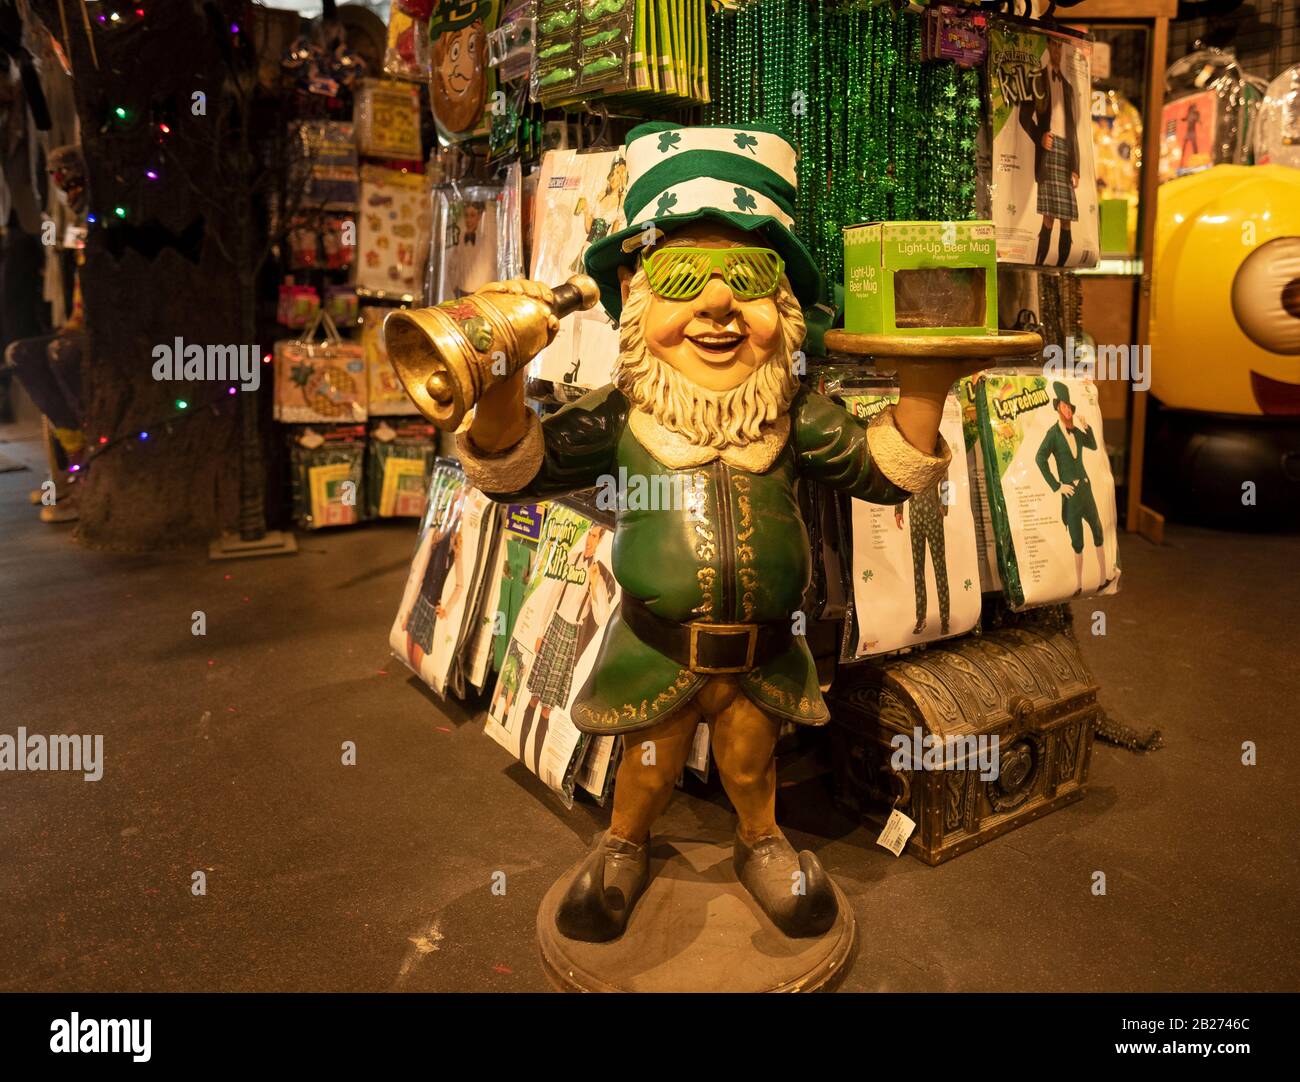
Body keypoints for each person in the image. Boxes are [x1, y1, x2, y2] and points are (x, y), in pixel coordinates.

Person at [456, 123, 979, 942]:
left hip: (765, 648)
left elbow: (880, 473)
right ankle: (624, 845)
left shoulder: (794, 416)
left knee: (749, 759)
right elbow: (517, 467)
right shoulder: (624, 417)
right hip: (656, 646)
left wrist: (925, 388)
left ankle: (761, 843)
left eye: (747, 276)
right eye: (682, 275)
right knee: (650, 762)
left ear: (784, 306)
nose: (716, 304)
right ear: (634, 293)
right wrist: (498, 381)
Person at [1034, 381, 1109, 597]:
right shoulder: (1053, 434)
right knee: (1077, 540)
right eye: (1063, 406)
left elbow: (1093, 445)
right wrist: (1057, 486)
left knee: (1097, 530)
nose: (1067, 410)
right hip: (1071, 494)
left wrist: (1087, 427)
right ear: (1058, 407)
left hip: (1086, 489)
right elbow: (1040, 458)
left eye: (1069, 407)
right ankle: (1078, 584)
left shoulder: (1076, 431)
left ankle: (1104, 577)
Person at [1018, 36, 1080, 267]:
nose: (1056, 50)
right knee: (1049, 217)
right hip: (1050, 148)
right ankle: (1040, 263)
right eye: (1053, 45)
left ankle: (1062, 265)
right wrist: (1039, 137)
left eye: (1059, 46)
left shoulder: (1068, 86)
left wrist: (1076, 166)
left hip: (1066, 153)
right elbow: (1024, 117)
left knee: (1067, 219)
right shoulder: (1037, 79)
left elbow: (1074, 131)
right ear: (1047, 47)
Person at [895, 478, 950, 636]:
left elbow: (945, 478)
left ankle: (945, 619)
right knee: (918, 569)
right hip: (915, 518)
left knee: (940, 568)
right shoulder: (910, 457)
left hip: (934, 518)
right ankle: (921, 618)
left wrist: (944, 506)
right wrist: (898, 510)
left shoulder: (936, 454)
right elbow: (901, 480)